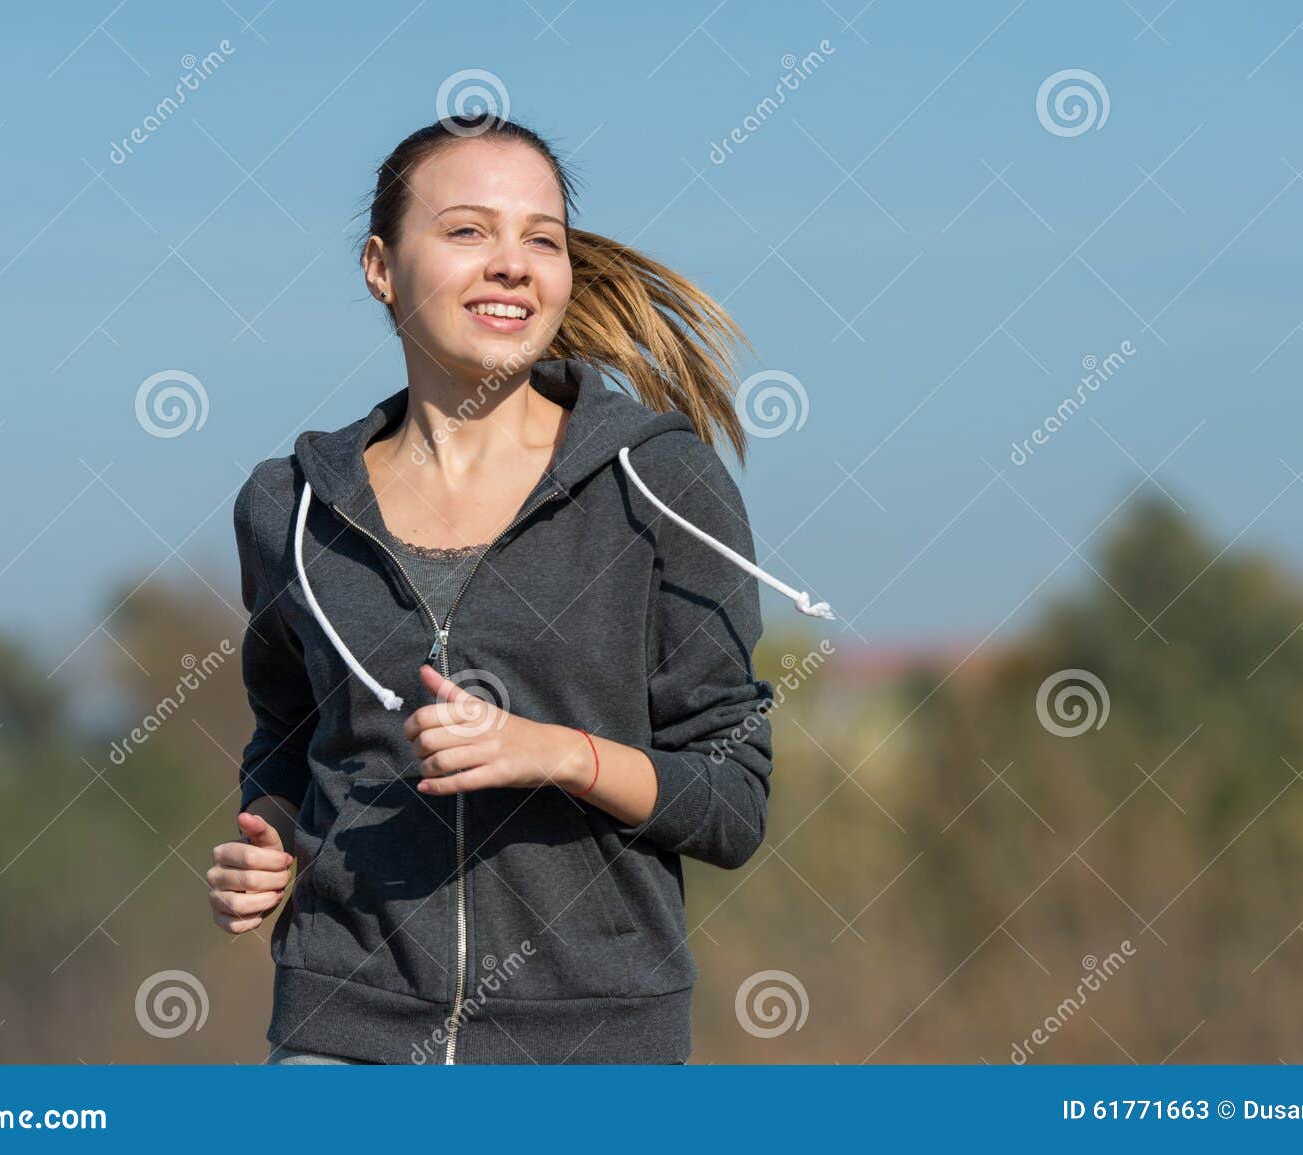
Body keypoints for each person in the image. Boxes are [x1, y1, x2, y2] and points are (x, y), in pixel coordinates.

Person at [206, 112, 833, 1065]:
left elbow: (731, 803)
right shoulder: (289, 506)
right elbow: (291, 739)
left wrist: (552, 751)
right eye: (467, 230)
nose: (511, 262)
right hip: (343, 1036)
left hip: (591, 1046)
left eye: (541, 238)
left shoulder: (661, 486)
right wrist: (274, 840)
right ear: (381, 266)